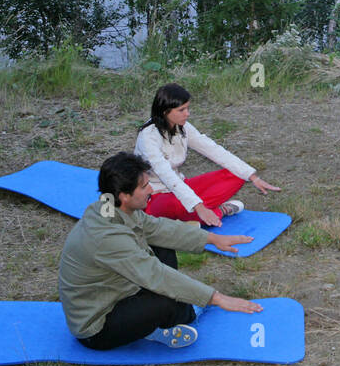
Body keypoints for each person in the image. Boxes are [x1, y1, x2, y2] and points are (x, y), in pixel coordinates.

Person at [58, 153, 263, 351]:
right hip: (98, 325)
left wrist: (212, 239)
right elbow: (156, 275)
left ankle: (165, 315)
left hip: (120, 290)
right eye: (144, 186)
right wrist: (217, 298)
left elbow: (158, 229)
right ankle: (180, 316)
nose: (151, 191)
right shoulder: (107, 238)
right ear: (124, 196)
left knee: (162, 245)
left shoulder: (109, 204)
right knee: (166, 302)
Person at [136, 83, 280, 228]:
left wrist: (253, 177)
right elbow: (166, 175)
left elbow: (213, 150)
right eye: (181, 110)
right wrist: (199, 207)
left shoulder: (182, 127)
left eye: (187, 108)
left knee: (237, 175)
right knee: (176, 204)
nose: (188, 113)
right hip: (154, 196)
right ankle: (219, 211)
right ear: (165, 111)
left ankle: (190, 217)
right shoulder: (148, 137)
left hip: (181, 187)